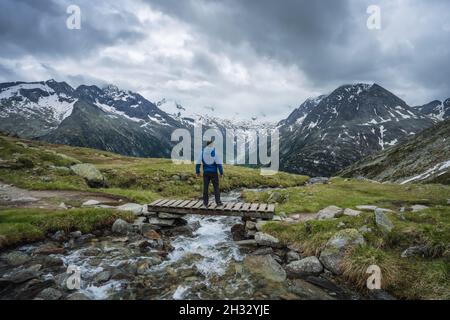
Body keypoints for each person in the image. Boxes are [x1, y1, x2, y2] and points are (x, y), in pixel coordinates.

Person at [195, 140, 223, 207]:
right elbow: (219, 164)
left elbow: (198, 162)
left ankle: (205, 203)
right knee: (216, 187)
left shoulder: (202, 152)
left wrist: (197, 171)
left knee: (205, 187)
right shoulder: (214, 153)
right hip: (214, 172)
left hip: (206, 172)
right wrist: (221, 173)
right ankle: (218, 202)